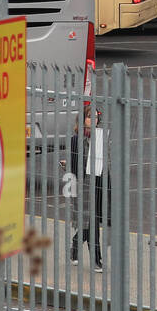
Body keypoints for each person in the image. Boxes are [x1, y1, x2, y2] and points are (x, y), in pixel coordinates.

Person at [61, 109, 111, 272]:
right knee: (93, 223)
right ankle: (97, 260)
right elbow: (75, 166)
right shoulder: (76, 140)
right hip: (83, 185)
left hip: (98, 184)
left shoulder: (101, 137)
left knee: (88, 223)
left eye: (97, 117)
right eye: (90, 117)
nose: (94, 120)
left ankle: (74, 247)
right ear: (82, 119)